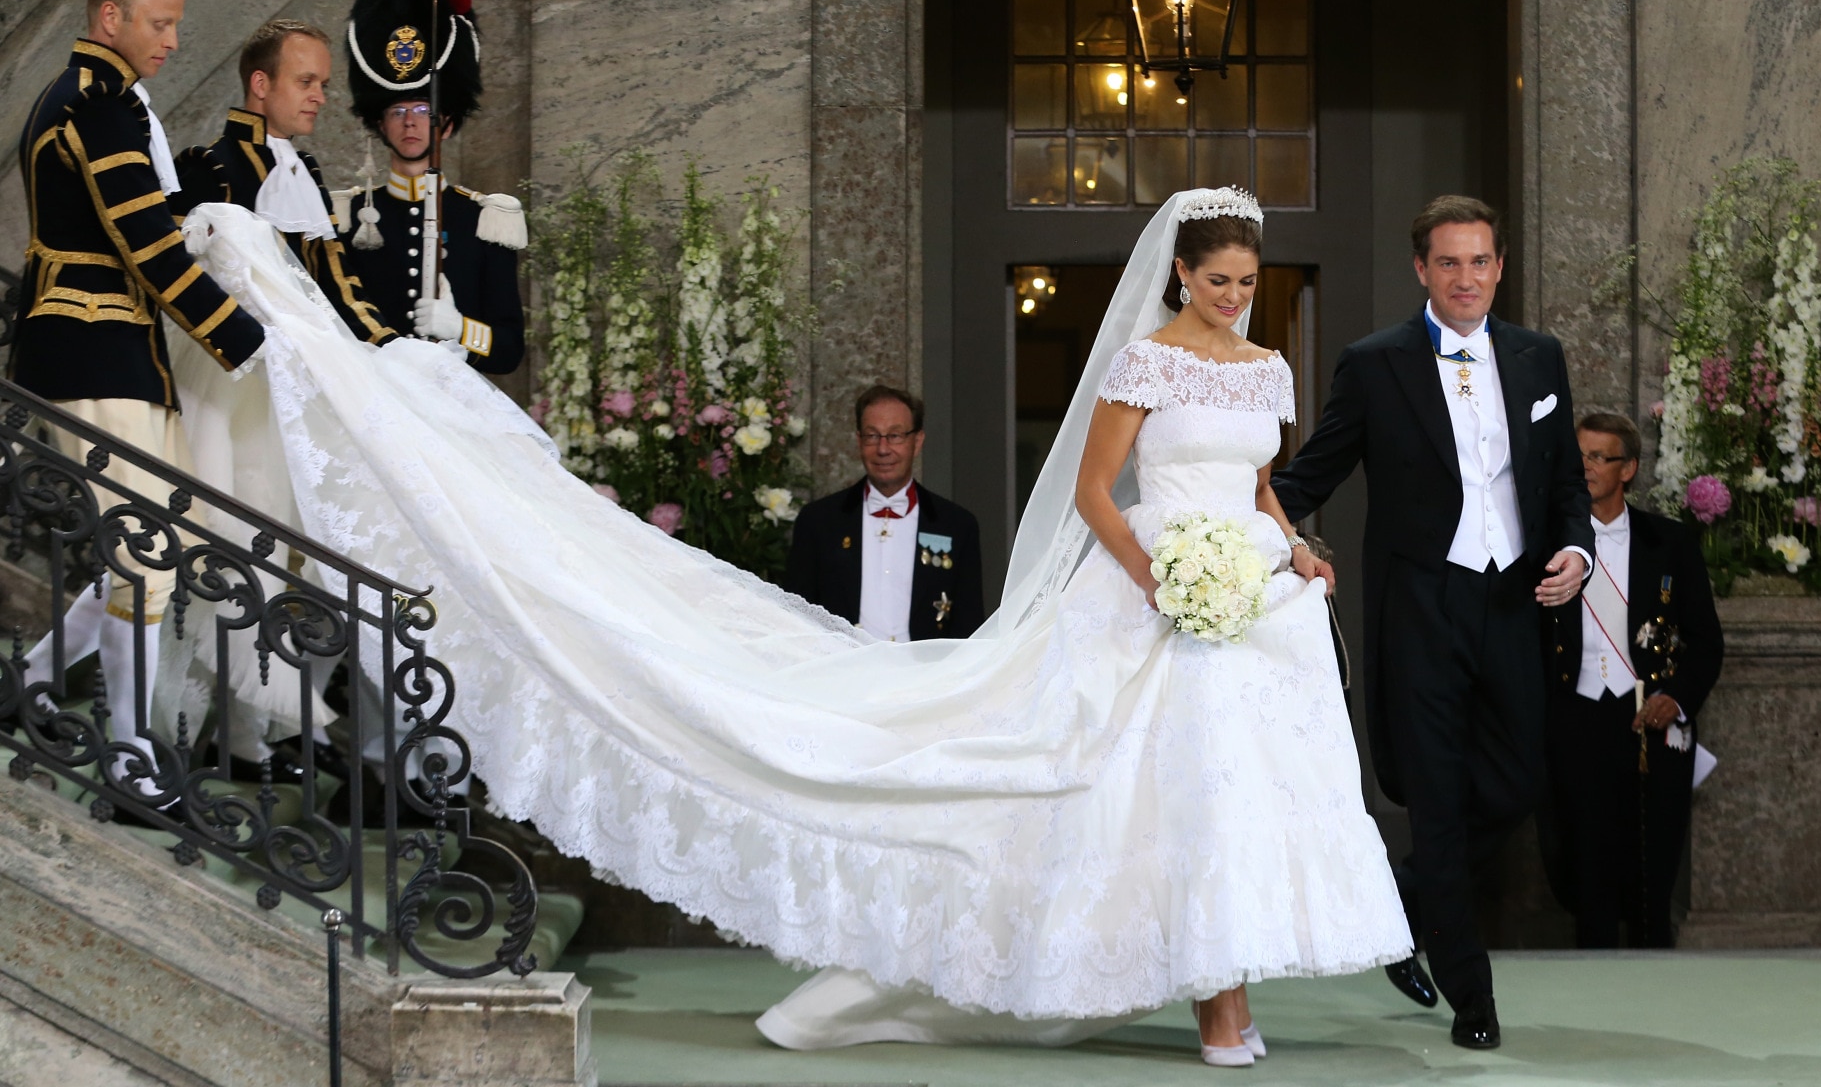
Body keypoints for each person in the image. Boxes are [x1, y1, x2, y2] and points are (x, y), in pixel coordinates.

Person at [171, 186, 1410, 1067]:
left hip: (1252, 598)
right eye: (1220, 280)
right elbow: (1096, 492)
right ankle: (1215, 1011)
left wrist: (1290, 543)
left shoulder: (1266, 371)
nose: (1238, 299)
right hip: (1154, 594)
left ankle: (1227, 986)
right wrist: (1155, 577)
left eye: (1252, 283)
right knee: (1143, 788)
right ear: (1182, 275)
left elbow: (1258, 480)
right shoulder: (1144, 360)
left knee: (1243, 793)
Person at [1271, 194, 1593, 1051]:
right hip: (1421, 613)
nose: (1465, 278)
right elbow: (1312, 475)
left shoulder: (1538, 358)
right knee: (1442, 806)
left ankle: (1403, 901)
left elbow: (1564, 484)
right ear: (1421, 269)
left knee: (1519, 783)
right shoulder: (1375, 365)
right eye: (1448, 263)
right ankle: (1472, 1001)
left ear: (1499, 267)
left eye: (1479, 261)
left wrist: (1576, 552)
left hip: (1515, 606)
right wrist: (1239, 526)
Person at [9, 0, 265, 788]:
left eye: (177, 22)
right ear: (109, 18)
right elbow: (145, 246)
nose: (173, 38)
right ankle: (126, 754)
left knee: (166, 539)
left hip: (124, 352)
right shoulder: (96, 106)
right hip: (89, 348)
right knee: (143, 552)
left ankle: (36, 680)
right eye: (160, 22)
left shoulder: (100, 104)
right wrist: (241, 334)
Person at [1543, 411, 1723, 947]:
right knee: (1584, 867)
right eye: (1580, 457)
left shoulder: (1668, 543)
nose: (1586, 467)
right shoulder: (1543, 543)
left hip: (1647, 717)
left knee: (1652, 870)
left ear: (1629, 469)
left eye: (1599, 457)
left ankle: (1655, 988)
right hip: (1574, 718)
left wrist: (1678, 698)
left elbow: (1707, 642)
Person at [330, 0, 526, 374]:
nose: (410, 122)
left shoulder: (484, 219)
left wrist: (462, 330)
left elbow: (510, 348)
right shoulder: (347, 218)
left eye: (423, 108)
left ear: (447, 123)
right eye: (397, 110)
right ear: (379, 124)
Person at [171, 19, 396, 347]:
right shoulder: (209, 167)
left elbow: (337, 282)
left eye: (324, 85)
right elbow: (183, 283)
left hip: (315, 350)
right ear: (261, 84)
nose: (320, 97)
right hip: (241, 355)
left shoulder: (304, 169)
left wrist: (385, 343)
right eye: (306, 82)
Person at [784, 385, 985, 640]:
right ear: (859, 441)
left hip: (927, 675)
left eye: (895, 435)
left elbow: (968, 626)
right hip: (843, 672)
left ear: (917, 441)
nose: (883, 449)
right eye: (872, 436)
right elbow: (795, 618)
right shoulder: (818, 521)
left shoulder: (956, 525)